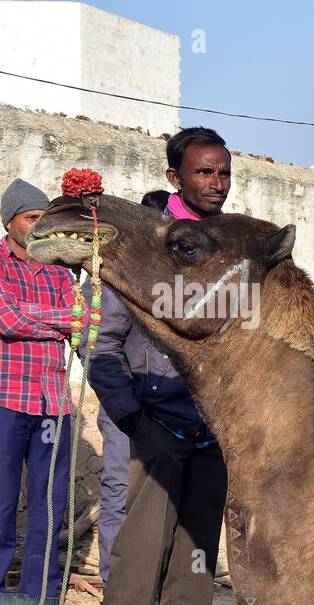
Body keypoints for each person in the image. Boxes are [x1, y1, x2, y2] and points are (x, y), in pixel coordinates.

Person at [84, 127, 248, 605]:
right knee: (136, 563)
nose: (217, 184)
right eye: (205, 173)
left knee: (196, 566)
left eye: (224, 173)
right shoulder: (144, 246)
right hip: (154, 428)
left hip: (212, 433)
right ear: (176, 176)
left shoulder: (233, 247)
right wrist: (134, 419)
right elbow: (100, 348)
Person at [89, 190, 172, 583]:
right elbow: (101, 347)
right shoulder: (119, 276)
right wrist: (127, 411)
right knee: (121, 491)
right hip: (126, 405)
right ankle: (116, 583)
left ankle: (150, 582)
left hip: (170, 409)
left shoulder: (181, 280)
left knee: (164, 496)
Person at [0, 179, 74, 600]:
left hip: (54, 404)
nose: (40, 225)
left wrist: (32, 315)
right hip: (7, 400)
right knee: (2, 506)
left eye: (44, 218)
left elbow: (81, 321)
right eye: (32, 217)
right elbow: (5, 321)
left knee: (49, 510)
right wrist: (58, 321)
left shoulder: (60, 271)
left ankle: (40, 598)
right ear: (11, 222)